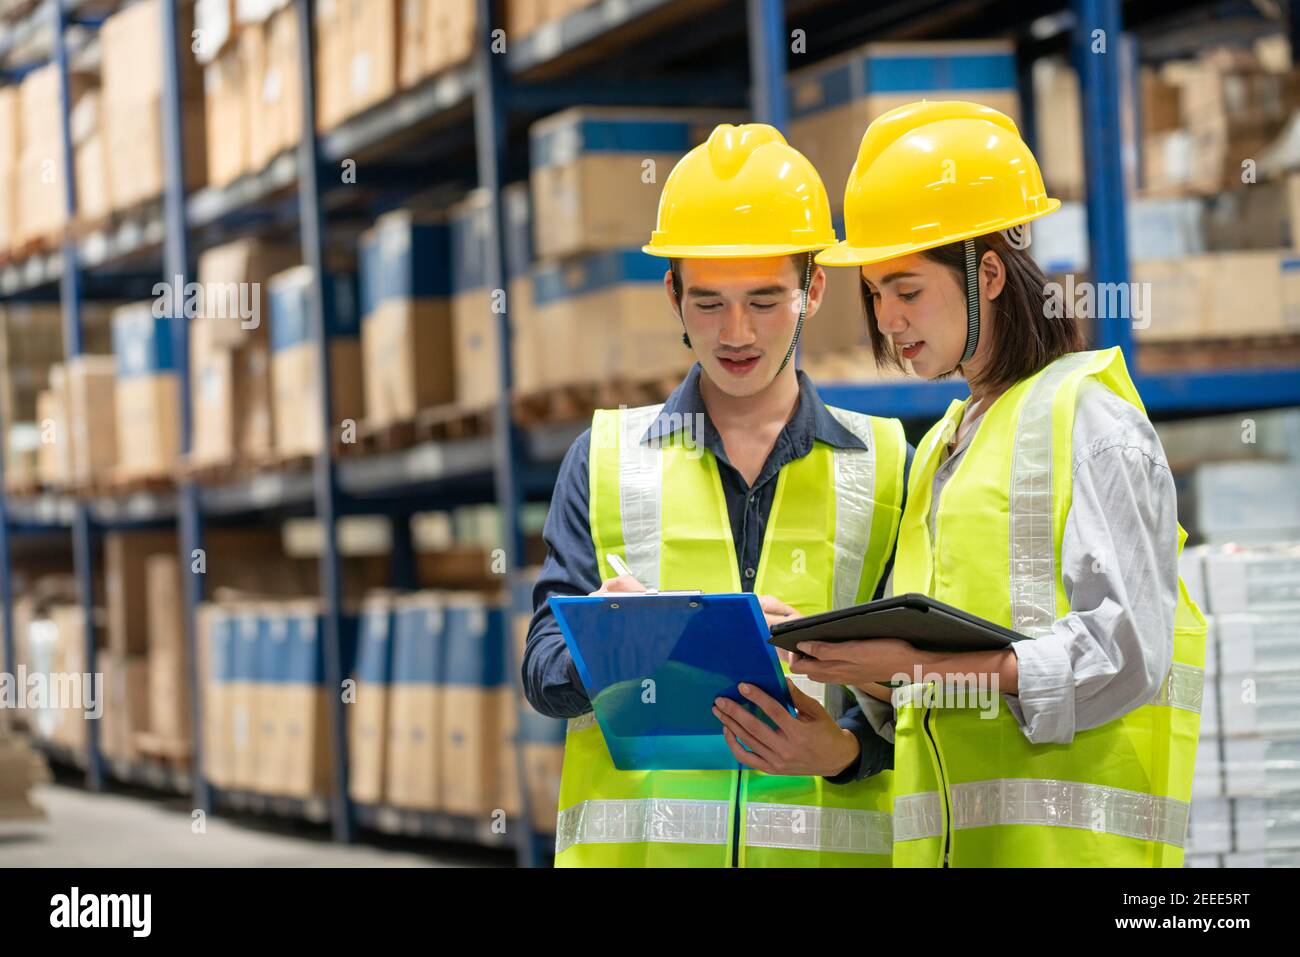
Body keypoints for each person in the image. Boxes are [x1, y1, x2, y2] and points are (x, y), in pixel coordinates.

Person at [745, 99, 1204, 867]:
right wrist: (847, 678)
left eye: (908, 289)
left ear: (987, 271)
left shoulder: (1090, 419)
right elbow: (938, 707)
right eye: (876, 295)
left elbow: (1124, 653)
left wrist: (910, 666)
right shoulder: (941, 450)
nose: (889, 319)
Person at [522, 123, 913, 867]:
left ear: (814, 289)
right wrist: (621, 641)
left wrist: (842, 751)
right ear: (671, 293)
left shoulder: (888, 464)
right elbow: (543, 672)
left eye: (765, 301)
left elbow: (926, 692)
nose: (737, 333)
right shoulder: (602, 459)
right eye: (708, 304)